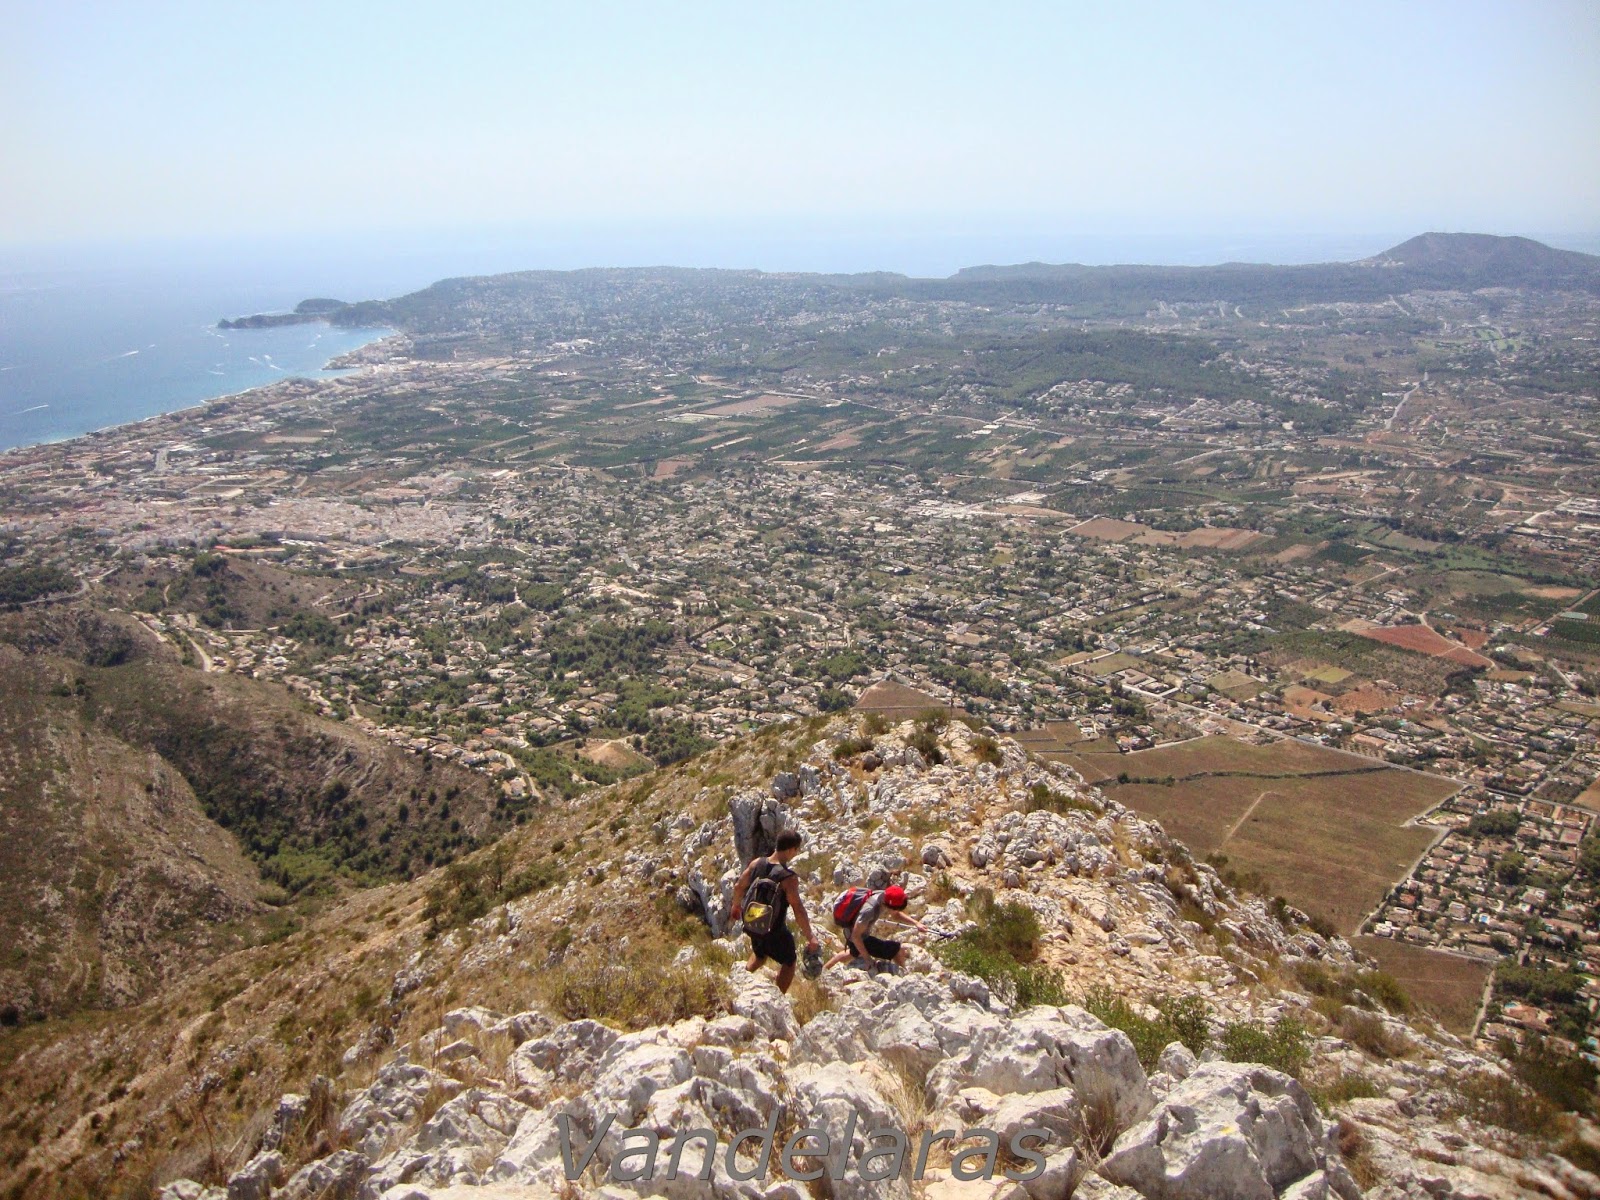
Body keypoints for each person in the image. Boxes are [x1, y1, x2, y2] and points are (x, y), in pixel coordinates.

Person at [729, 829, 819, 994]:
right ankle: (777, 997)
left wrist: (735, 906)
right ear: (791, 849)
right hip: (773, 929)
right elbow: (798, 908)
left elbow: (738, 886)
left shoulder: (757, 863)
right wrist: (810, 936)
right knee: (789, 960)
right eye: (796, 850)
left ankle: (740, 983)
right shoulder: (788, 878)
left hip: (752, 922)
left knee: (760, 954)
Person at [825, 882, 927, 972]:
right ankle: (904, 974)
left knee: (854, 952)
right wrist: (867, 959)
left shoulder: (883, 895)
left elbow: (895, 914)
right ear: (888, 905)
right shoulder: (869, 910)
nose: (897, 911)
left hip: (855, 932)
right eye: (896, 908)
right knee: (896, 949)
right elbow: (856, 936)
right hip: (857, 936)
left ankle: (824, 970)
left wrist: (916, 923)